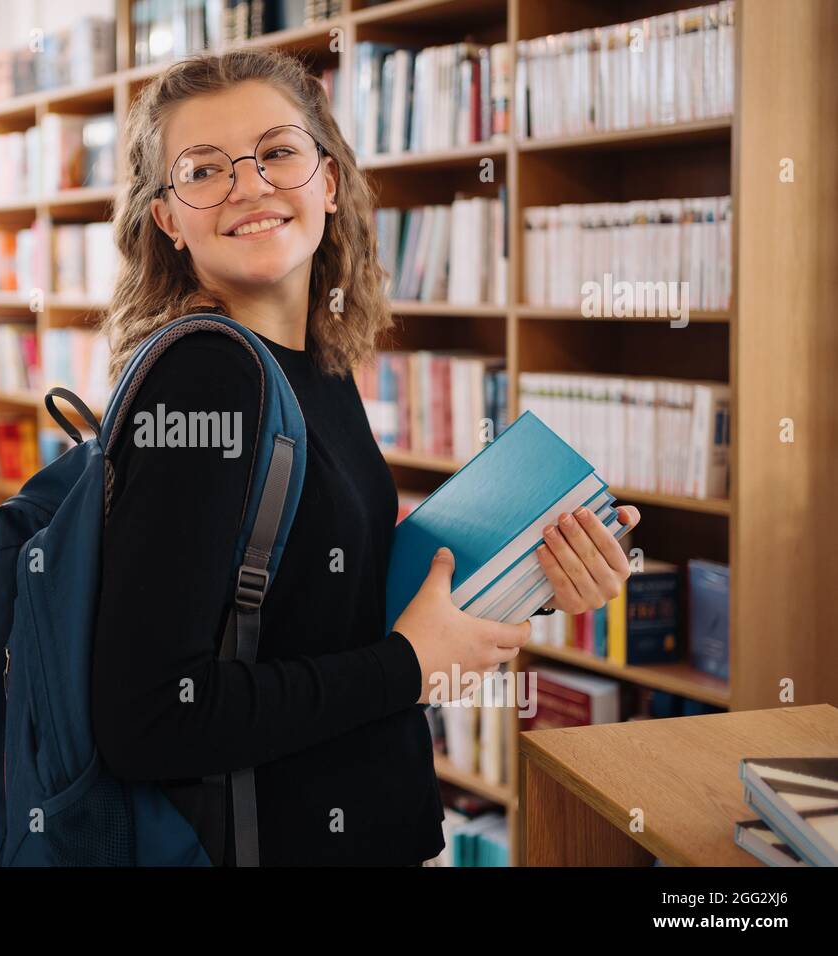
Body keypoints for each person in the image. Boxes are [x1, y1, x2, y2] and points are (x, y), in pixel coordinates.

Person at [91, 48, 641, 866]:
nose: (250, 185)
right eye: (203, 170)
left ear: (328, 180)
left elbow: (331, 617)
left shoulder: (315, 359)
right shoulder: (205, 382)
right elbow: (149, 720)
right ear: (168, 217)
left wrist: (531, 576)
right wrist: (412, 663)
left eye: (278, 152)